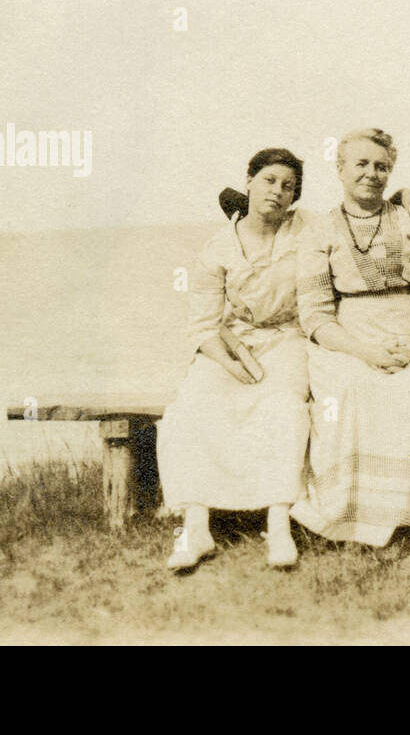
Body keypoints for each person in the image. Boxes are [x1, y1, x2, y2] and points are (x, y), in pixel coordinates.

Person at [290, 128, 410, 548]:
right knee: (351, 387)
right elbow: (315, 314)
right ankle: (344, 512)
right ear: (341, 169)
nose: (371, 173)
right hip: (348, 340)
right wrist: (364, 352)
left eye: (382, 166)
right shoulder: (319, 232)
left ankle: (401, 512)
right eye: (361, 164)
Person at [157, 148, 311, 570]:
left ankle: (278, 525)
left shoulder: (306, 232)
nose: (277, 192)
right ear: (249, 182)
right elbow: (204, 327)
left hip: (289, 338)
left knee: (283, 405)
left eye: (288, 187)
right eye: (269, 181)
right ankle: (196, 527)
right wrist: (232, 365)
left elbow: (356, 212)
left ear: (294, 197)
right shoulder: (217, 248)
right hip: (232, 345)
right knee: (192, 405)